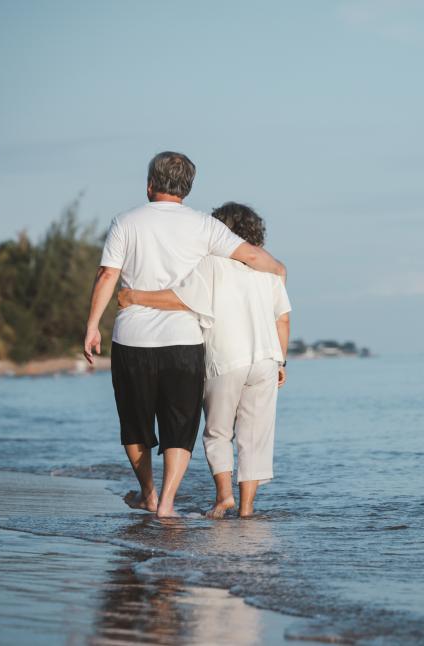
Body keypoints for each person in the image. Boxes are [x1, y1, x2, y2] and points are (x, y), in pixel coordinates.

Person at [84, 153, 286, 518]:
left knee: (135, 423)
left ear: (149, 184)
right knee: (180, 425)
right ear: (188, 187)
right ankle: (167, 502)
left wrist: (92, 325)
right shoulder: (204, 227)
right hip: (185, 341)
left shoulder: (125, 222)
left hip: (132, 338)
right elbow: (252, 258)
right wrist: (279, 268)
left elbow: (106, 275)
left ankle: (148, 492)